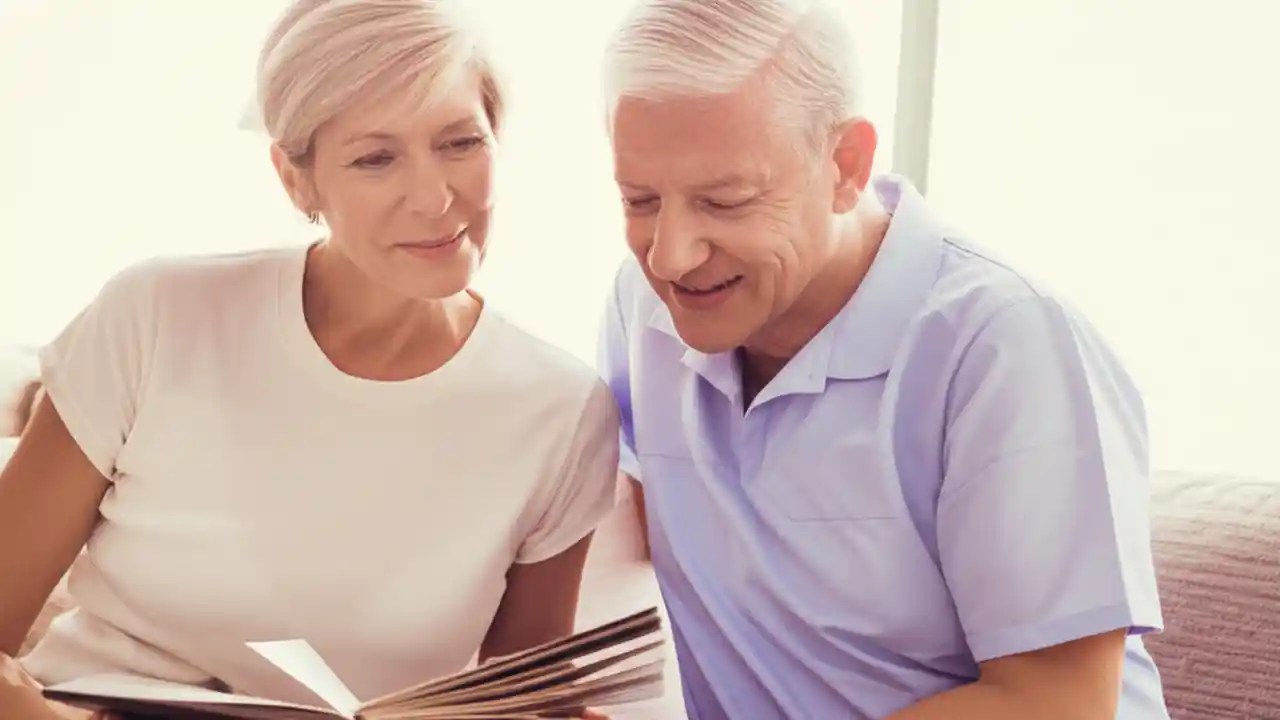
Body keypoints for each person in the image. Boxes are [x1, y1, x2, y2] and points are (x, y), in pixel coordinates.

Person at [0, 1, 620, 718]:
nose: (434, 195)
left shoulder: (561, 412)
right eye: (375, 158)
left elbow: (524, 701)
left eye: (459, 142)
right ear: (297, 180)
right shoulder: (157, 317)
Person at [596, 0, 1170, 718]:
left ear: (845, 166)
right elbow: (618, 532)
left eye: (727, 201)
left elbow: (1058, 702)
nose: (671, 255)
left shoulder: (1001, 344)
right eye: (640, 199)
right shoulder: (648, 305)